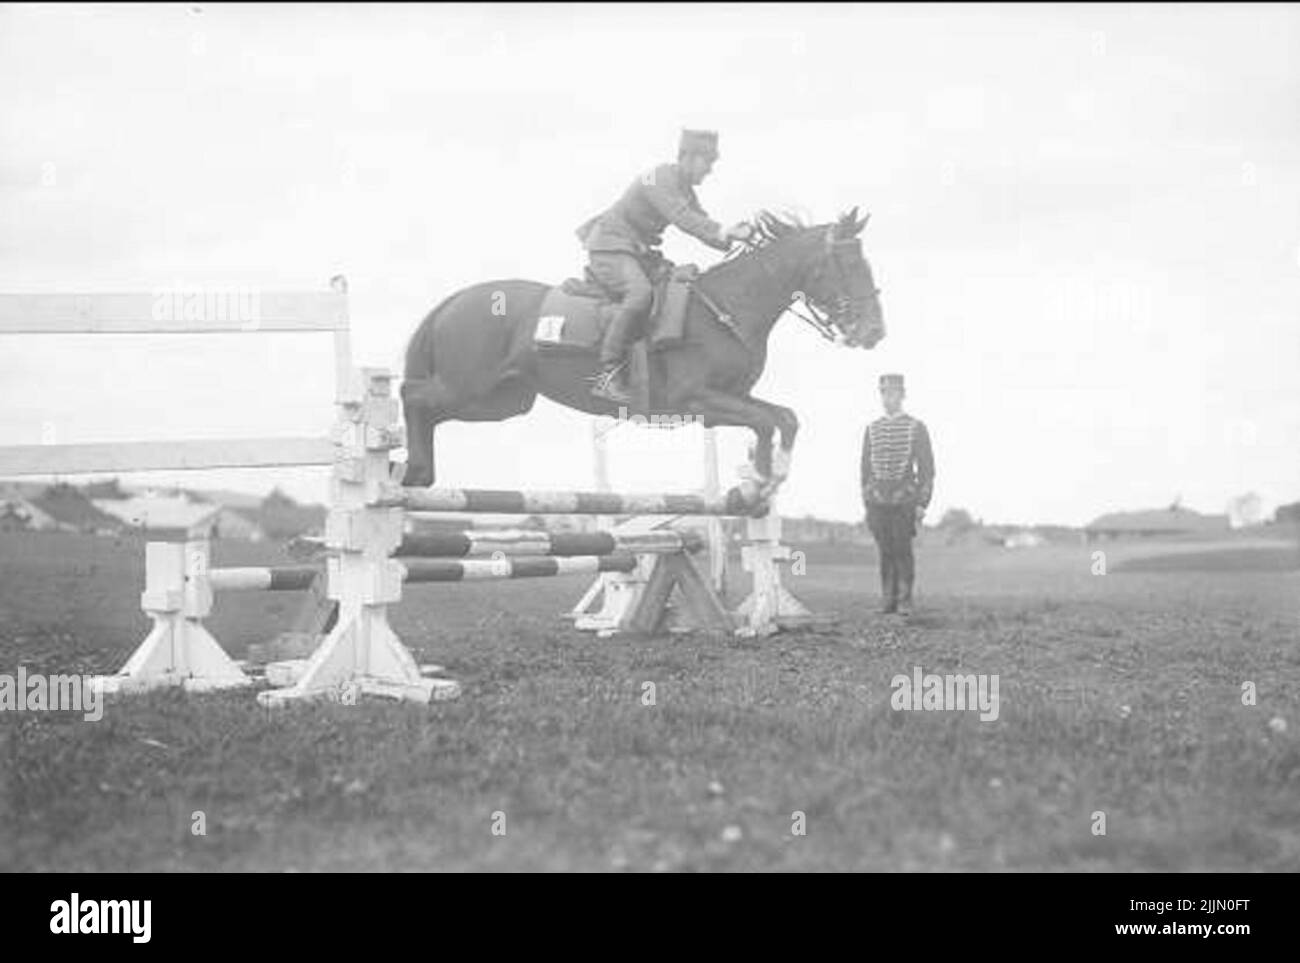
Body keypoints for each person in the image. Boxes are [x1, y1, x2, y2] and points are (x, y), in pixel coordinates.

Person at [576, 129, 752, 404]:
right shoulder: (658, 178)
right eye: (708, 163)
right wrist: (724, 231)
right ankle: (607, 374)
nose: (709, 171)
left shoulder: (684, 189)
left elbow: (700, 220)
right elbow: (682, 217)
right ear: (689, 158)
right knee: (640, 294)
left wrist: (734, 239)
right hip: (610, 248)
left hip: (637, 253)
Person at [860, 373, 935, 616]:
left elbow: (927, 468)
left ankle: (905, 600)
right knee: (885, 550)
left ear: (902, 395)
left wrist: (923, 502)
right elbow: (864, 469)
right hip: (877, 499)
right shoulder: (872, 428)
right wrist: (867, 501)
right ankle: (887, 600)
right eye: (883, 392)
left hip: (904, 497)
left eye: (893, 392)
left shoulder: (916, 427)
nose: (888, 397)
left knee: (902, 548)